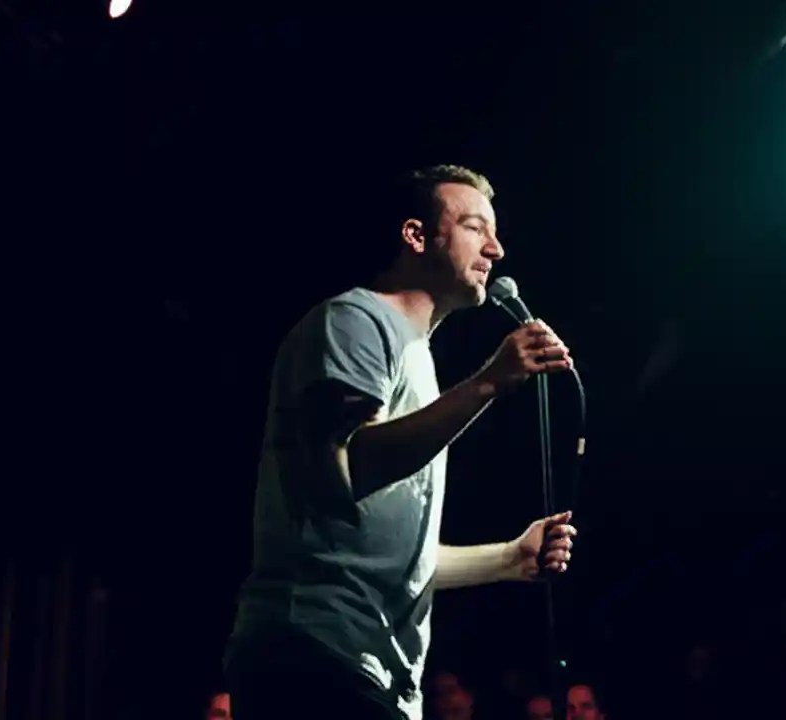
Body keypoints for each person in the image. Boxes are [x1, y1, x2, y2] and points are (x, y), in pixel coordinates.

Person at [224, 165, 579, 720]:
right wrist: (491, 381)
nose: (497, 248)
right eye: (474, 227)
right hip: (314, 653)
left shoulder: (420, 360)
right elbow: (345, 471)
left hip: (371, 671)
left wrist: (510, 558)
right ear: (416, 236)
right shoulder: (355, 320)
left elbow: (392, 558)